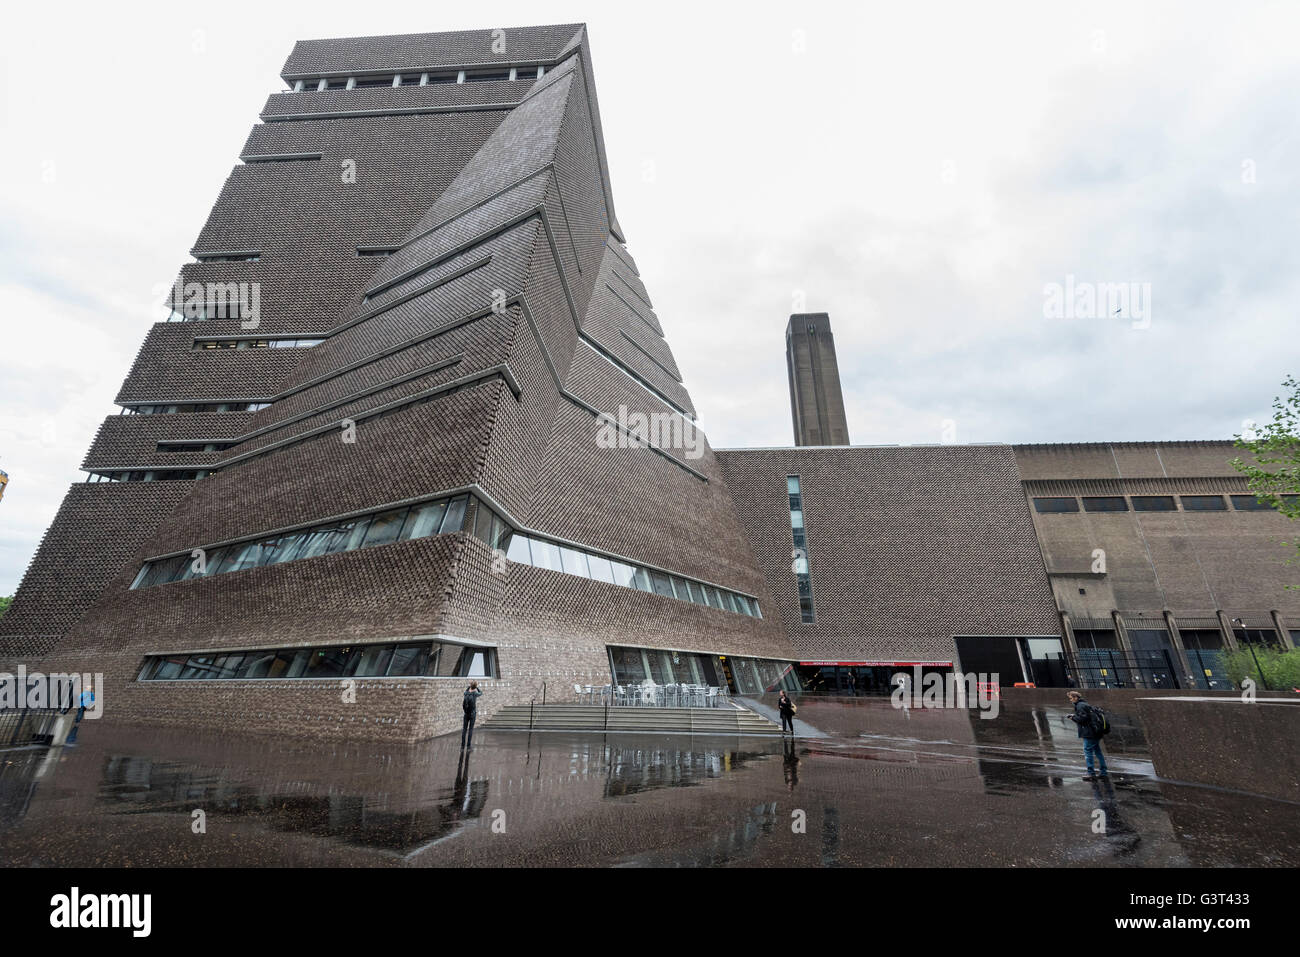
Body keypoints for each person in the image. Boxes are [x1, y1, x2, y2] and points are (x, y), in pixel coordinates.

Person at [1067, 690, 1108, 780]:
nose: (1070, 700)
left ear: (1075, 697)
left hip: (1090, 733)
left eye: (1071, 698)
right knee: (1097, 751)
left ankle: (1091, 773)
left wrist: (1073, 717)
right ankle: (1103, 772)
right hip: (1095, 732)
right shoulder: (1085, 704)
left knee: (1088, 751)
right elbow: (1086, 717)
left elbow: (1083, 719)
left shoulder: (1080, 706)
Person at [460, 680, 482, 750]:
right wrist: (477, 687)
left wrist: (469, 687)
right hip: (472, 714)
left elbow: (466, 690)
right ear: (475, 687)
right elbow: (481, 693)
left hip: (466, 714)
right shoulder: (475, 693)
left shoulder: (465, 693)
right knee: (470, 729)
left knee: (464, 729)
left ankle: (462, 746)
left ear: (470, 686)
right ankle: (468, 746)